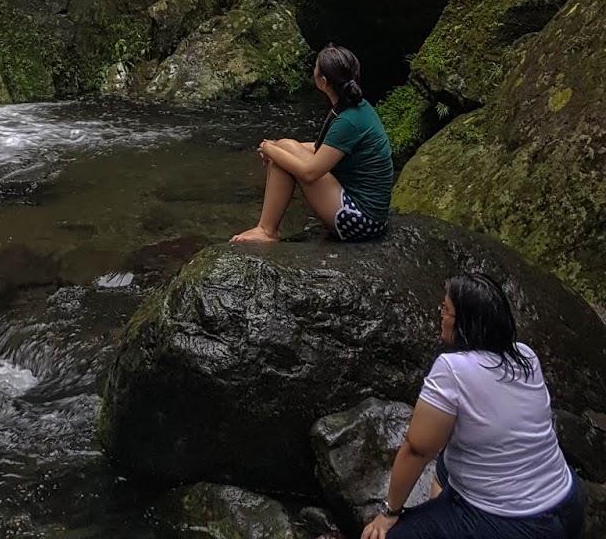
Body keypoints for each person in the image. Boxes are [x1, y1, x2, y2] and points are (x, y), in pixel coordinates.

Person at [361, 273, 586, 538]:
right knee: (446, 464)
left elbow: (417, 450)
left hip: (515, 525)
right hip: (568, 501)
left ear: (464, 323)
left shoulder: (452, 369)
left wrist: (389, 513)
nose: (441, 317)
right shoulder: (525, 355)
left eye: (445, 310)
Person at [231, 44, 392, 245]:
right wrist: (278, 147)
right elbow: (321, 149)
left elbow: (310, 172)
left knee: (284, 155)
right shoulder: (355, 107)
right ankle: (266, 228)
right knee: (285, 147)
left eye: (315, 68)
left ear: (323, 81)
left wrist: (269, 149)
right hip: (369, 214)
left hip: (361, 220)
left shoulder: (348, 120)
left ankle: (267, 230)